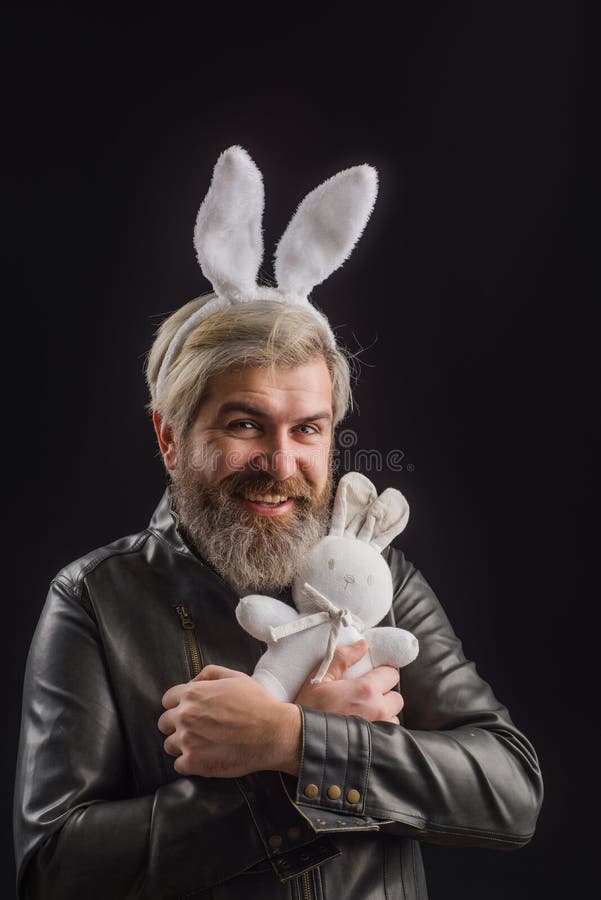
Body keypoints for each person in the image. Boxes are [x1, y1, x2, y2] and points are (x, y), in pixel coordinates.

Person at [13, 147, 543, 900]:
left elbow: (509, 790)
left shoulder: (376, 575)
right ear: (170, 437)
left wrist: (295, 742)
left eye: (308, 430)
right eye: (244, 424)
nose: (280, 462)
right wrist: (280, 781)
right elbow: (55, 870)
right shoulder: (95, 599)